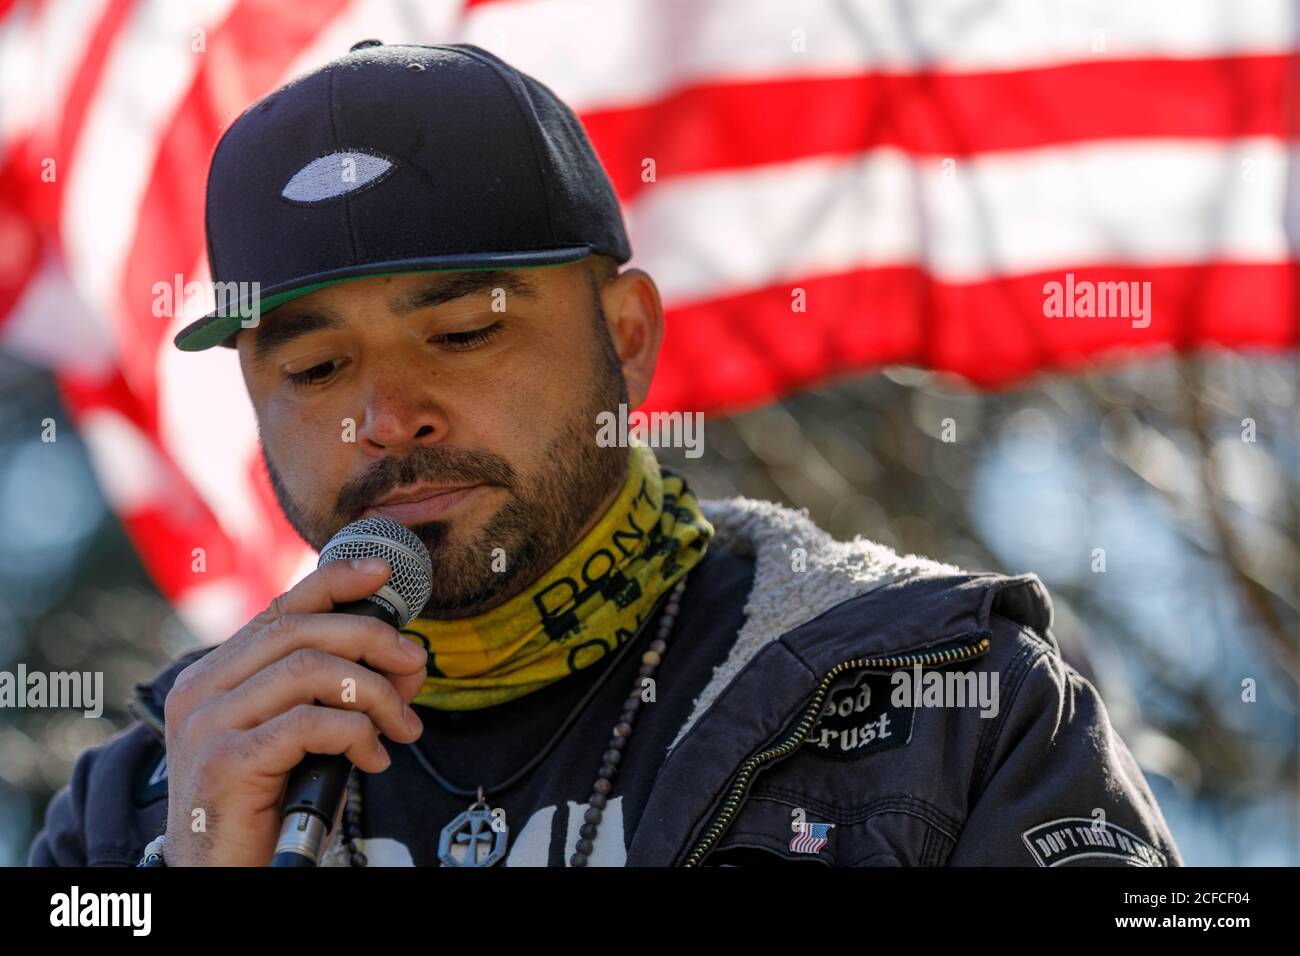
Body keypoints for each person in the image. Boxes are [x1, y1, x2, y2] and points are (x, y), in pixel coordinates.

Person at [29, 41, 1181, 867]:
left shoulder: (945, 697)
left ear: (626, 342)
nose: (386, 414)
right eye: (315, 370)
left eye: (464, 332)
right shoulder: (132, 804)